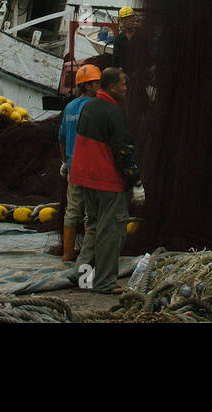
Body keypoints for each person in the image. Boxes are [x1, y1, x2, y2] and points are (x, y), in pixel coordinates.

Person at [69, 66, 144, 293]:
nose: (126, 88)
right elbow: (123, 152)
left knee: (93, 228)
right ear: (112, 87)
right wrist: (136, 182)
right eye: (123, 84)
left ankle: (81, 275)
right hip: (108, 182)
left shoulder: (88, 107)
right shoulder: (114, 112)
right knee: (111, 231)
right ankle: (104, 282)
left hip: (85, 179)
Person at [58, 63, 101, 261]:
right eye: (97, 83)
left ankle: (67, 255)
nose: (100, 86)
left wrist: (65, 162)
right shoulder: (94, 106)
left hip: (73, 167)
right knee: (90, 213)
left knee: (72, 210)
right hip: (90, 168)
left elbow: (61, 137)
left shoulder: (69, 107)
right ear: (89, 86)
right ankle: (88, 256)